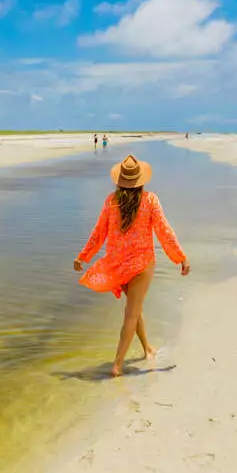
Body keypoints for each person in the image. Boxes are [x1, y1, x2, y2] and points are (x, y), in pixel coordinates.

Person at [73, 154, 190, 376]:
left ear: (119, 180)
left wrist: (83, 256)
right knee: (132, 313)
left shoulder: (111, 201)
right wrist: (180, 257)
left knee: (134, 310)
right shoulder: (150, 200)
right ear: (141, 180)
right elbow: (164, 232)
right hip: (141, 264)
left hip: (118, 265)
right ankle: (117, 365)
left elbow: (99, 233)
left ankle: (147, 348)